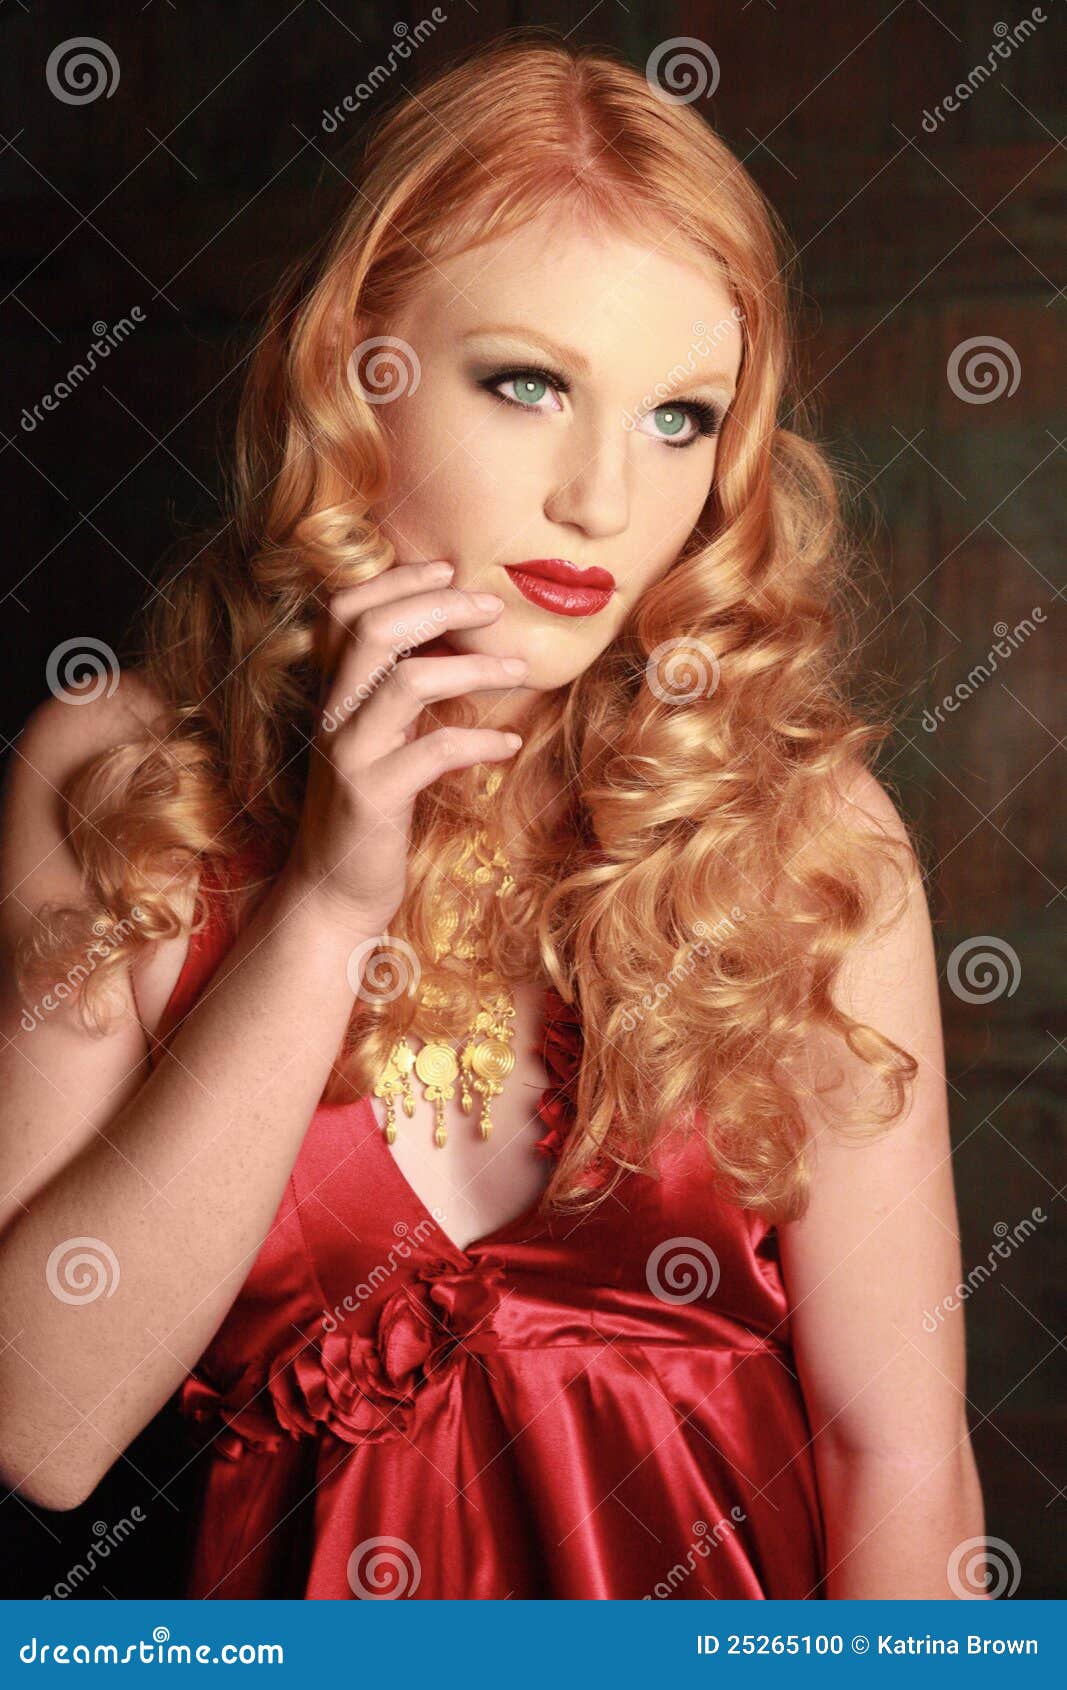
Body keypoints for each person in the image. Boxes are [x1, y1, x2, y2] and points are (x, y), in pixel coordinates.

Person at [0, 34, 986, 1599]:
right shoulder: (117, 777)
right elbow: (42, 1428)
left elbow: (901, 1458)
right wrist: (326, 906)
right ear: (359, 369)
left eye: (680, 416)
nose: (603, 497)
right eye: (528, 384)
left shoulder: (802, 830)